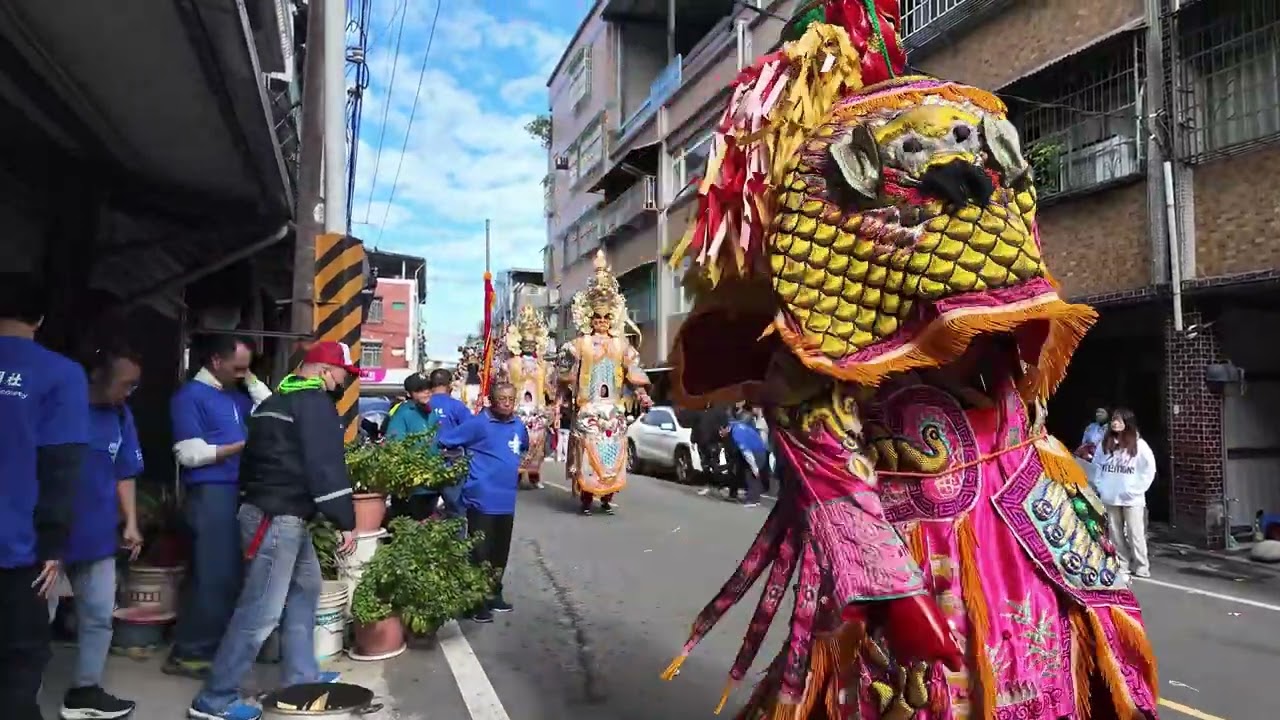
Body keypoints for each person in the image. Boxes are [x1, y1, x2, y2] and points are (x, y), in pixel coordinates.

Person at [188, 341, 359, 720]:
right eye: (344, 373)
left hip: (275, 513)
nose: (345, 381)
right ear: (324, 370)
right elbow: (325, 465)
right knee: (261, 611)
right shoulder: (314, 404)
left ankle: (301, 678)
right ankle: (214, 700)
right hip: (277, 518)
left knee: (305, 588)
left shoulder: (274, 402)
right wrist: (344, 521)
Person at [0, 273, 88, 720]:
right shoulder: (61, 375)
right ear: (39, 318)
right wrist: (53, 545)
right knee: (20, 658)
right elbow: (61, 467)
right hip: (17, 549)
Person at [166, 335, 272, 678]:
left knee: (224, 574)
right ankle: (192, 652)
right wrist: (239, 447)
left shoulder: (234, 395)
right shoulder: (190, 397)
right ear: (215, 361)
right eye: (238, 367)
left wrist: (251, 379)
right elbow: (188, 454)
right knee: (213, 574)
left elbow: (268, 407)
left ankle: (206, 646)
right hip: (209, 491)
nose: (244, 375)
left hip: (232, 492)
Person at [55, 345, 145, 720]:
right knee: (30, 621)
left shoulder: (121, 415)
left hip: (97, 535)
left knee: (98, 616)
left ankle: (84, 692)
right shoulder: (58, 409)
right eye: (125, 384)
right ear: (96, 376)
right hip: (49, 536)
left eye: (134, 387)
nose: (129, 393)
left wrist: (131, 522)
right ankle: (20, 696)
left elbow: (123, 471)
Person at [557, 250, 652, 516]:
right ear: (589, 318)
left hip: (613, 410)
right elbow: (565, 375)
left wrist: (642, 394)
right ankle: (587, 498)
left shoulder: (621, 345)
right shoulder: (579, 344)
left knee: (613, 455)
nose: (601, 322)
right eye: (597, 318)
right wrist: (561, 400)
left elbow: (633, 372)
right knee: (588, 455)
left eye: (606, 318)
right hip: (588, 409)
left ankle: (607, 498)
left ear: (613, 318)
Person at [437, 382, 528, 624]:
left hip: (506, 500)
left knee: (500, 552)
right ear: (491, 400)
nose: (507, 402)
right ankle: (475, 603)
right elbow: (446, 440)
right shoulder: (479, 423)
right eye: (502, 398)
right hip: (481, 498)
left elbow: (523, 448)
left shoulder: (519, 425)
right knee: (480, 553)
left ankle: (493, 594)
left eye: (511, 398)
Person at [1090, 407, 1157, 579]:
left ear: (1127, 423)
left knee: (1136, 533)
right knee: (1115, 534)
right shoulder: (1106, 444)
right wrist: (1100, 486)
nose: (1114, 423)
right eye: (1113, 419)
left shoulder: (1139, 445)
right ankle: (1122, 564)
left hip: (1132, 498)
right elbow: (1096, 465)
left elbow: (1149, 469)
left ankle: (1142, 566)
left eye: (1119, 420)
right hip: (1110, 496)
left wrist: (1136, 489)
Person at [385, 372, 441, 521]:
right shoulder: (403, 413)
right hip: (411, 488)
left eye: (428, 388)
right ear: (410, 393)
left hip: (431, 485)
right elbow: (395, 446)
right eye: (420, 389)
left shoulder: (431, 412)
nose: (426, 392)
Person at [726, 409, 768, 508]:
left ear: (727, 428)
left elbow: (746, 452)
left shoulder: (736, 432)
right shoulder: (737, 425)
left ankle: (753, 499)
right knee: (750, 472)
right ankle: (755, 497)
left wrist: (754, 467)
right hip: (759, 448)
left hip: (756, 452)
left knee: (751, 473)